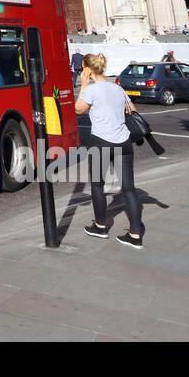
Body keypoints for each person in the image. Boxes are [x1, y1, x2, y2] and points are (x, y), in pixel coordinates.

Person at [75, 53, 145, 249]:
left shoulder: (91, 89)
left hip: (101, 142)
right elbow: (132, 108)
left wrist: (82, 86)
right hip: (124, 142)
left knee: (98, 185)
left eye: (82, 68)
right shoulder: (117, 87)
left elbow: (79, 110)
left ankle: (100, 226)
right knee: (128, 188)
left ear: (88, 69)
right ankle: (135, 233)